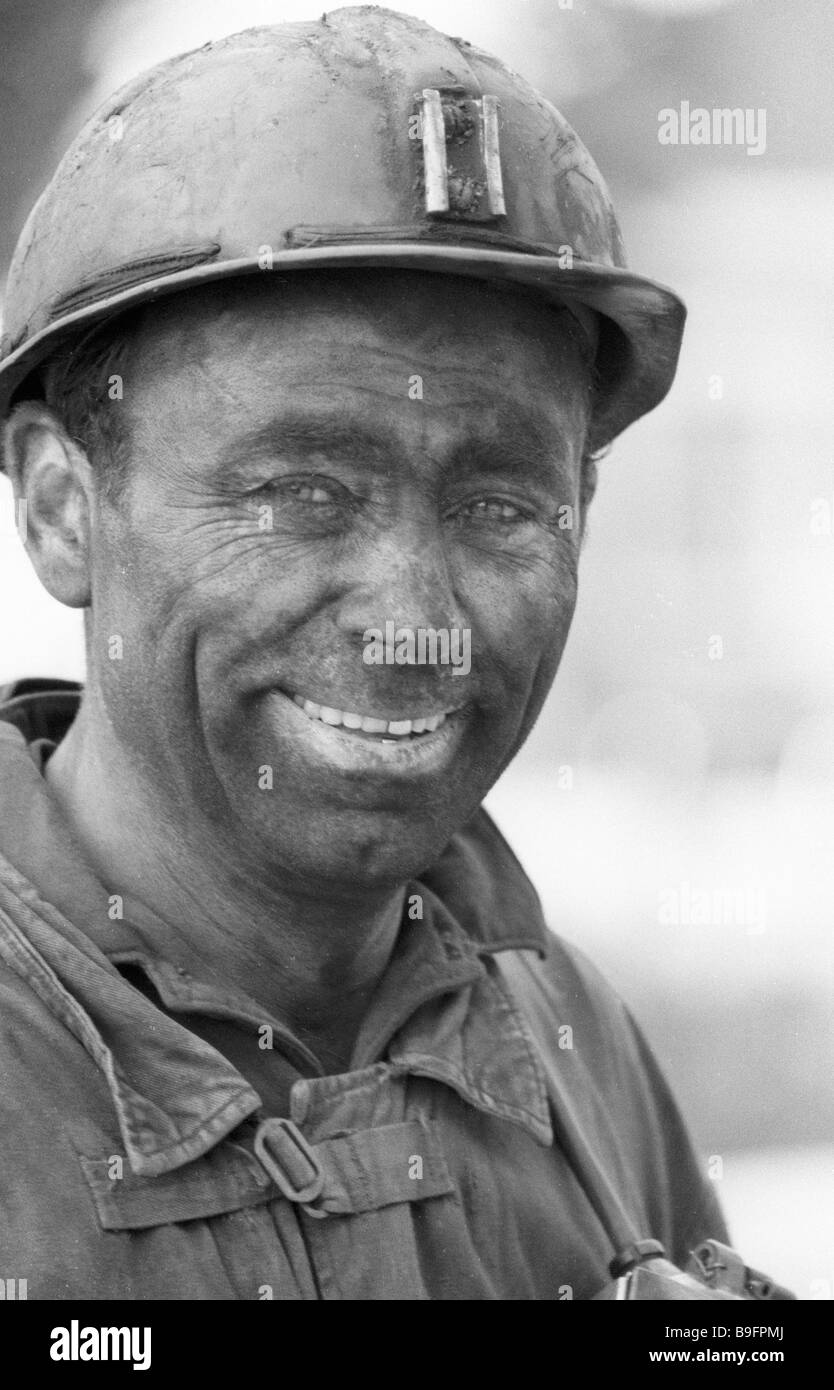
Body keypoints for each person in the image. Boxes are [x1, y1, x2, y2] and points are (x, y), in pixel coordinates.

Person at [0, 7, 729, 1300]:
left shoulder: (567, 1038)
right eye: (302, 495)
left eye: (498, 506)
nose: (415, 621)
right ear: (64, 511)